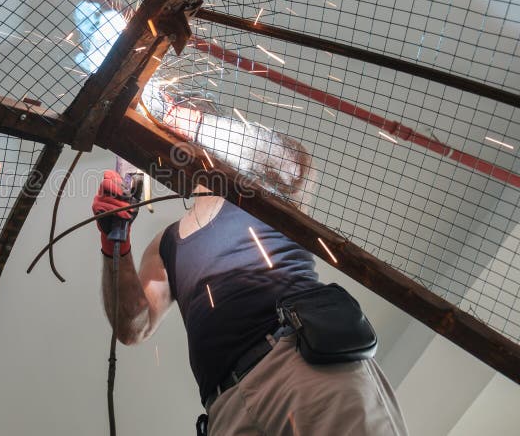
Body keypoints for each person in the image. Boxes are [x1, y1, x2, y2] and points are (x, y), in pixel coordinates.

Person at [92, 171, 409, 435]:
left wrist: (200, 122)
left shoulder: (261, 185)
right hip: (226, 408)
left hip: (301, 362)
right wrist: (113, 244)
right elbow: (132, 327)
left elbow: (297, 165)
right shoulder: (166, 242)